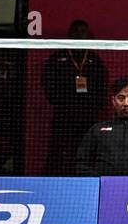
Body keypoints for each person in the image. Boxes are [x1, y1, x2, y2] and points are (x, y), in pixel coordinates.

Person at [42, 20, 108, 175]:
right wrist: (59, 102)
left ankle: (86, 177)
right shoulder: (57, 58)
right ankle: (52, 177)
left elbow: (102, 85)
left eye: (83, 31)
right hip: (63, 113)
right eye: (76, 31)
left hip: (88, 114)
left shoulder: (94, 60)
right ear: (69, 34)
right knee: (58, 148)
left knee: (86, 148)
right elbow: (47, 82)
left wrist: (94, 106)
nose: (79, 34)